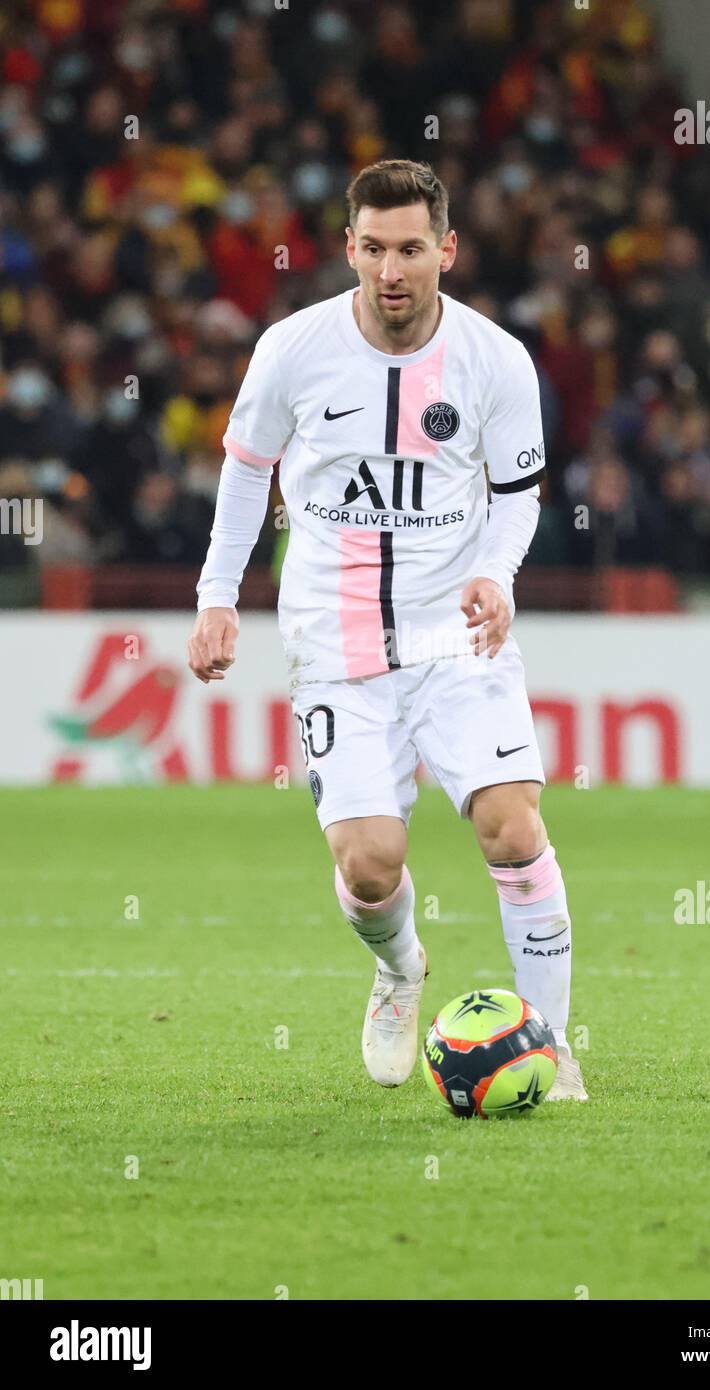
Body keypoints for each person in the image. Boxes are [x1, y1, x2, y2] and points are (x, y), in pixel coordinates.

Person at [187, 159, 586, 1102]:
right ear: (350, 249)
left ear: (446, 248)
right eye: (373, 249)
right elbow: (247, 471)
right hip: (336, 645)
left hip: (457, 640)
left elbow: (519, 496)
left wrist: (496, 575)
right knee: (370, 867)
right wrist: (215, 595)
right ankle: (401, 969)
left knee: (513, 827)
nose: (392, 270)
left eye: (412, 249)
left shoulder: (496, 360)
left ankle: (554, 1046)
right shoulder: (294, 349)